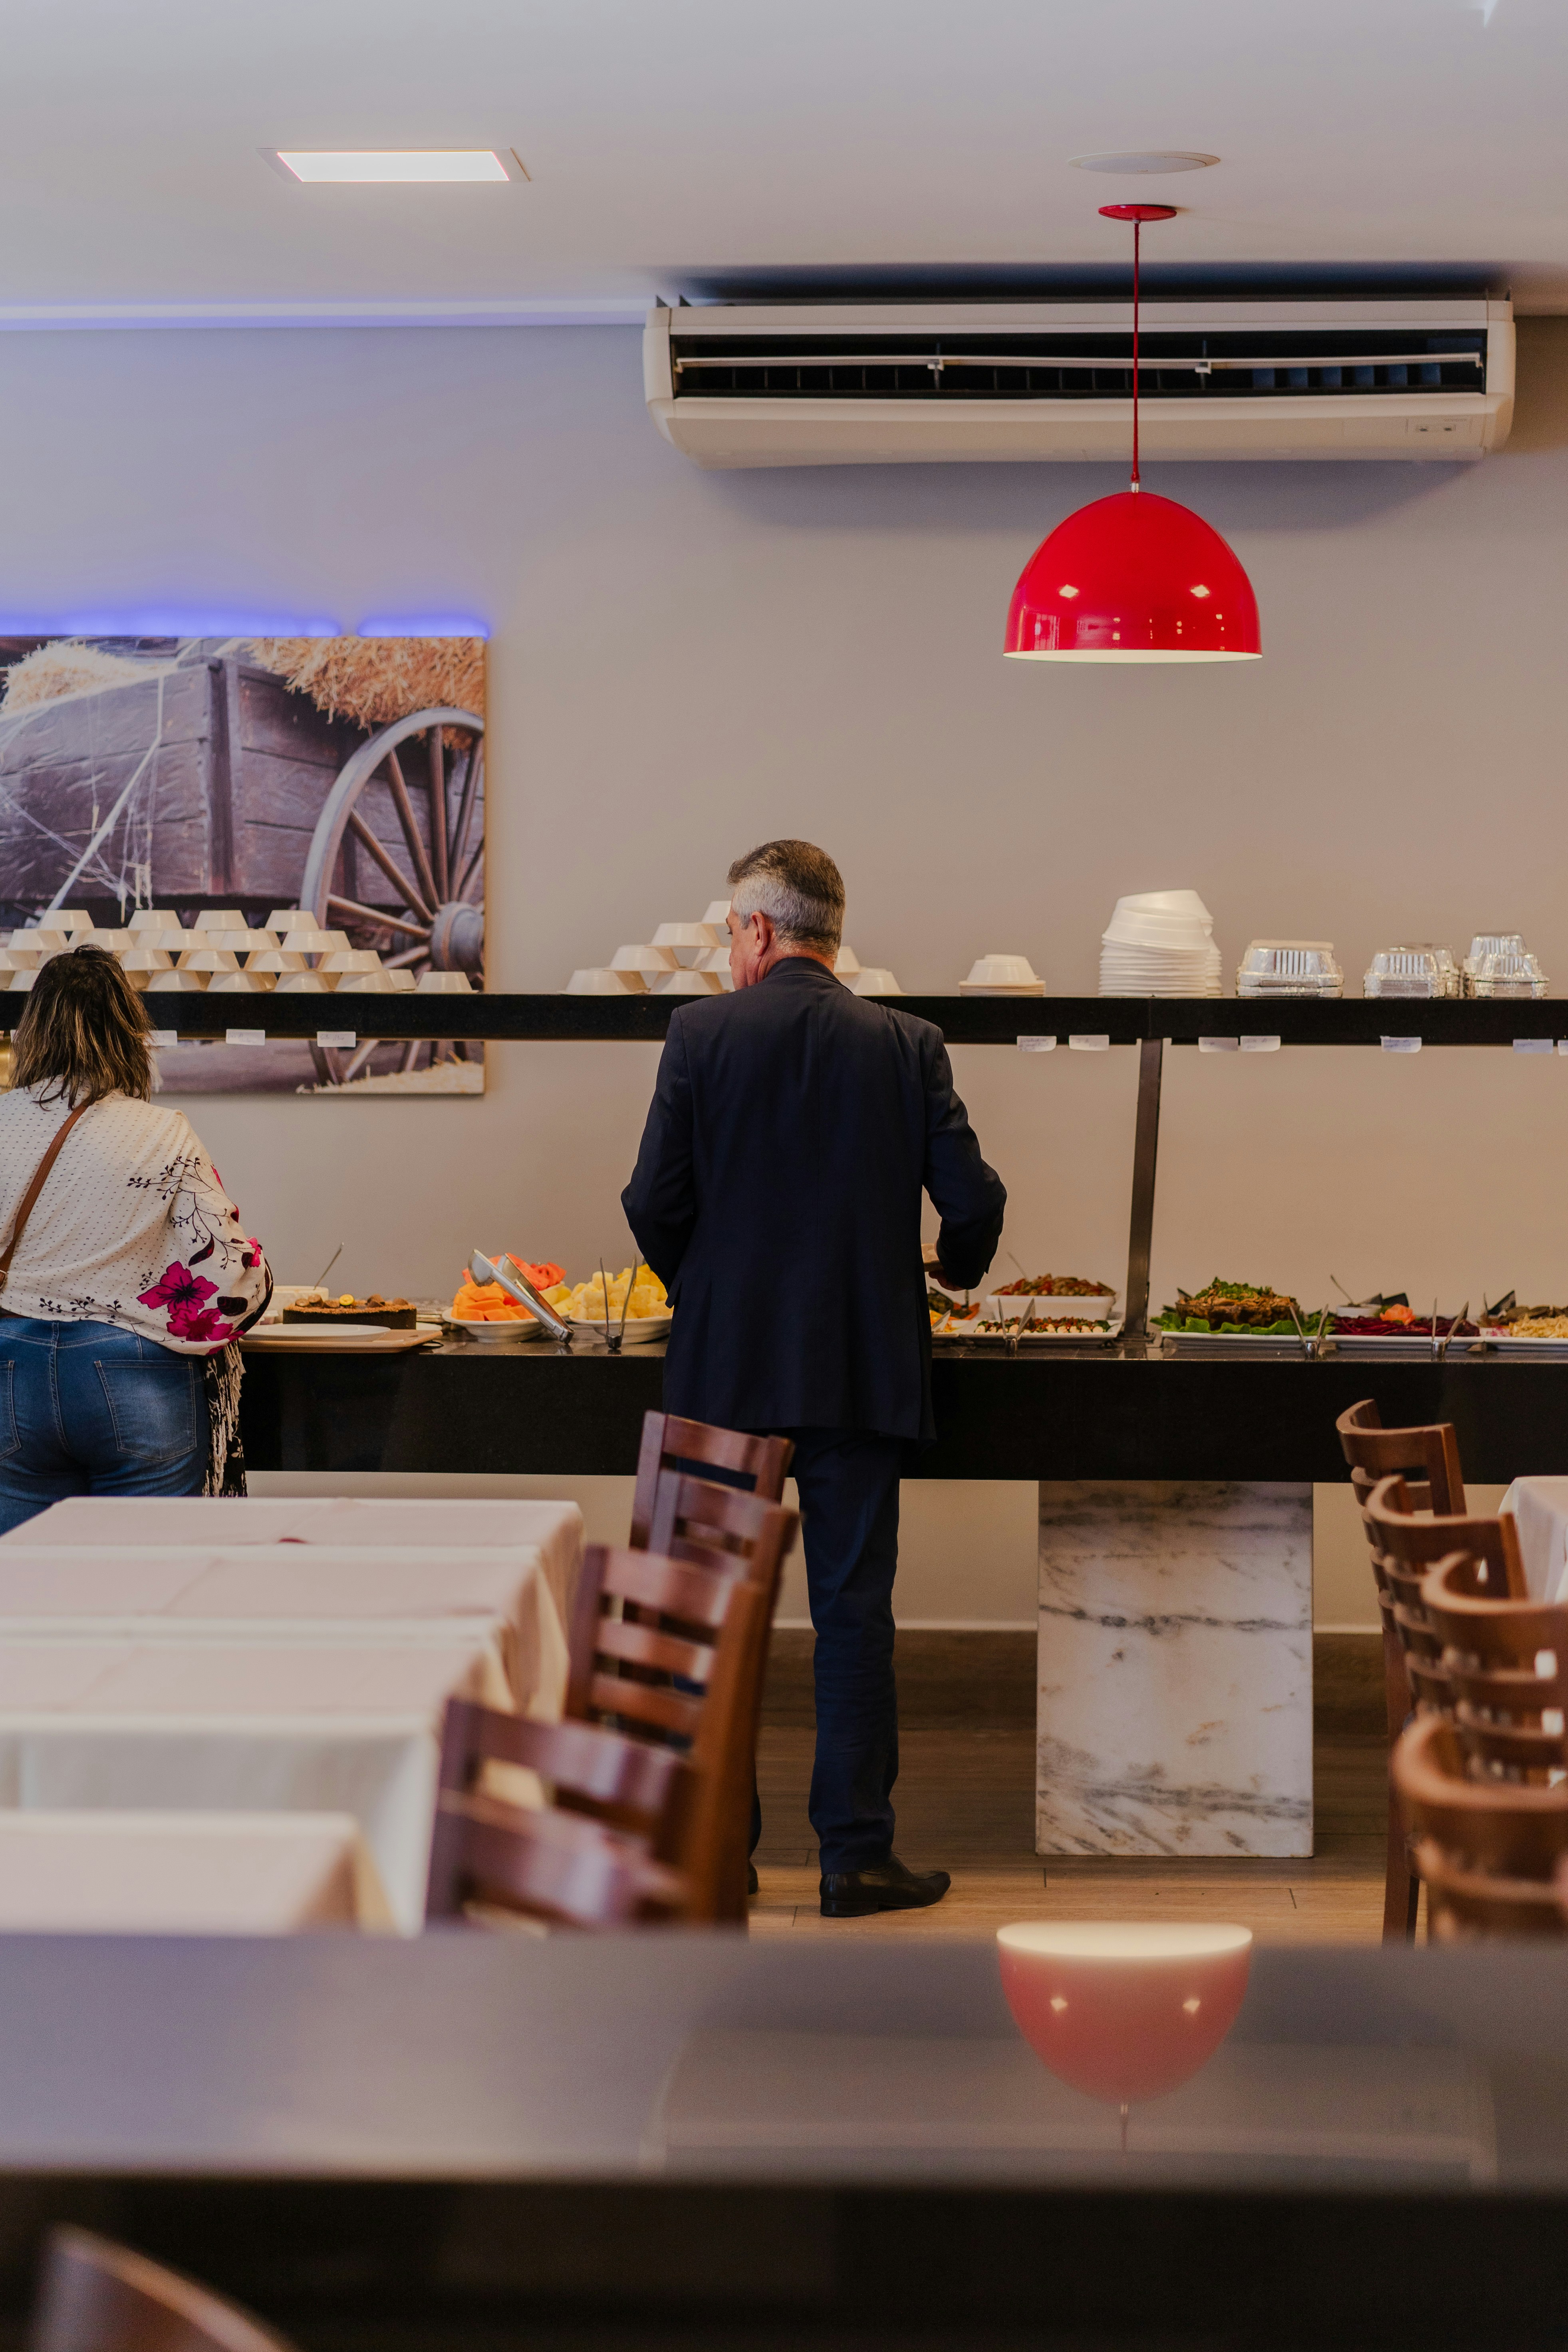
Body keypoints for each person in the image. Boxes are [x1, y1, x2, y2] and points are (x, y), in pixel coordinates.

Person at [623, 840, 1005, 1918]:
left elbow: (651, 1198)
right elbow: (970, 1201)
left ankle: (714, 1856)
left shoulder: (698, 1034)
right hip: (857, 1370)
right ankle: (853, 1859)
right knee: (852, 1615)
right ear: (829, 933)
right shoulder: (906, 1042)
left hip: (722, 1375)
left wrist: (705, 1284)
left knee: (710, 1618)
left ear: (752, 930)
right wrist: (952, 1276)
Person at [0, 945, 272, 1536]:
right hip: (134, 1380)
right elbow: (232, 1278)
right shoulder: (163, 1131)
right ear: (127, 1031)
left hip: (8, 1376)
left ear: (32, 1031)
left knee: (20, 1591)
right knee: (146, 1583)